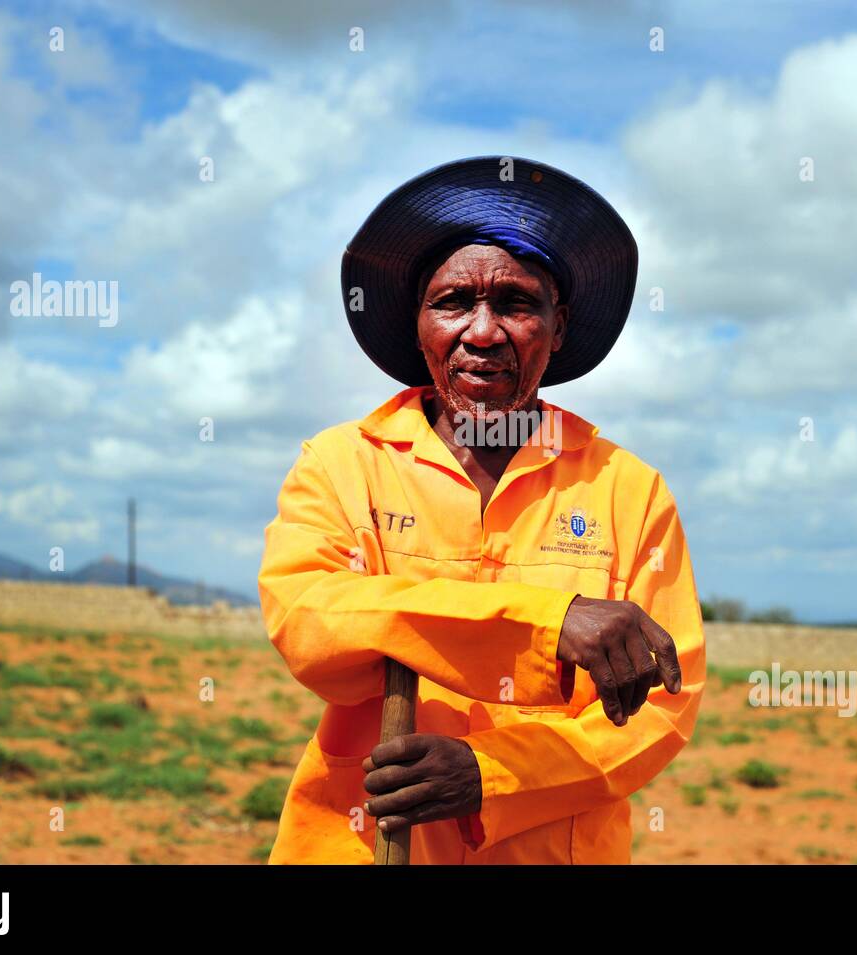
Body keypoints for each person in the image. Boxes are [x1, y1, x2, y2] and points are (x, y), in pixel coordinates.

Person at [258, 155, 705, 863]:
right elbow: (308, 620)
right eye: (454, 301)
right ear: (419, 326)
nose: (484, 331)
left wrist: (487, 773)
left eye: (518, 304)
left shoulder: (630, 489)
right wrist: (547, 626)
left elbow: (663, 706)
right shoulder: (344, 465)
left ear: (558, 330)